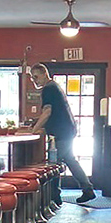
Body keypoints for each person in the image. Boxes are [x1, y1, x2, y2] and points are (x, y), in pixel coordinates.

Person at [28, 63, 95, 204]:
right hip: (67, 129)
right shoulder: (54, 86)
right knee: (67, 159)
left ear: (44, 74)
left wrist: (33, 131)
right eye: (32, 78)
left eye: (36, 77)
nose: (34, 80)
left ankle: (55, 196)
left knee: (54, 162)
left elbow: (47, 112)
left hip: (62, 131)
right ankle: (85, 189)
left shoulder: (48, 88)